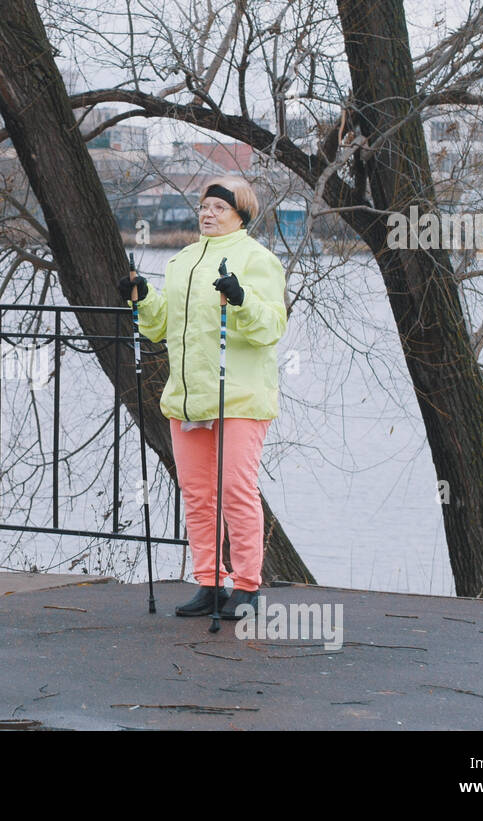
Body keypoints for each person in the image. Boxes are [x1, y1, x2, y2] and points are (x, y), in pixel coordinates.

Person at [119, 176, 287, 619]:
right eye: (204, 206)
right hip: (189, 398)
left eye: (218, 207)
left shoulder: (259, 260)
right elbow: (159, 327)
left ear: (240, 214)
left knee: (235, 488)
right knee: (196, 493)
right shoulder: (183, 262)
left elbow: (270, 327)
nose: (207, 213)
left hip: (239, 396)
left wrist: (241, 299)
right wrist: (142, 297)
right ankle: (209, 582)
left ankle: (247, 586)